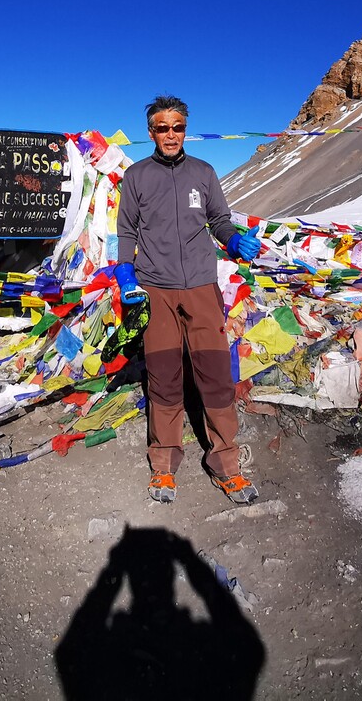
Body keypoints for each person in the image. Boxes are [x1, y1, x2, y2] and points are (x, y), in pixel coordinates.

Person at [114, 95, 263, 504]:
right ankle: (163, 466)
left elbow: (219, 220)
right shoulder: (137, 176)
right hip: (156, 290)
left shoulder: (204, 172)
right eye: (162, 127)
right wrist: (125, 269)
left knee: (215, 377)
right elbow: (127, 230)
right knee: (163, 377)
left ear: (185, 130)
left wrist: (234, 241)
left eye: (177, 126)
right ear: (151, 132)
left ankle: (226, 466)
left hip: (200, 287)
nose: (171, 134)